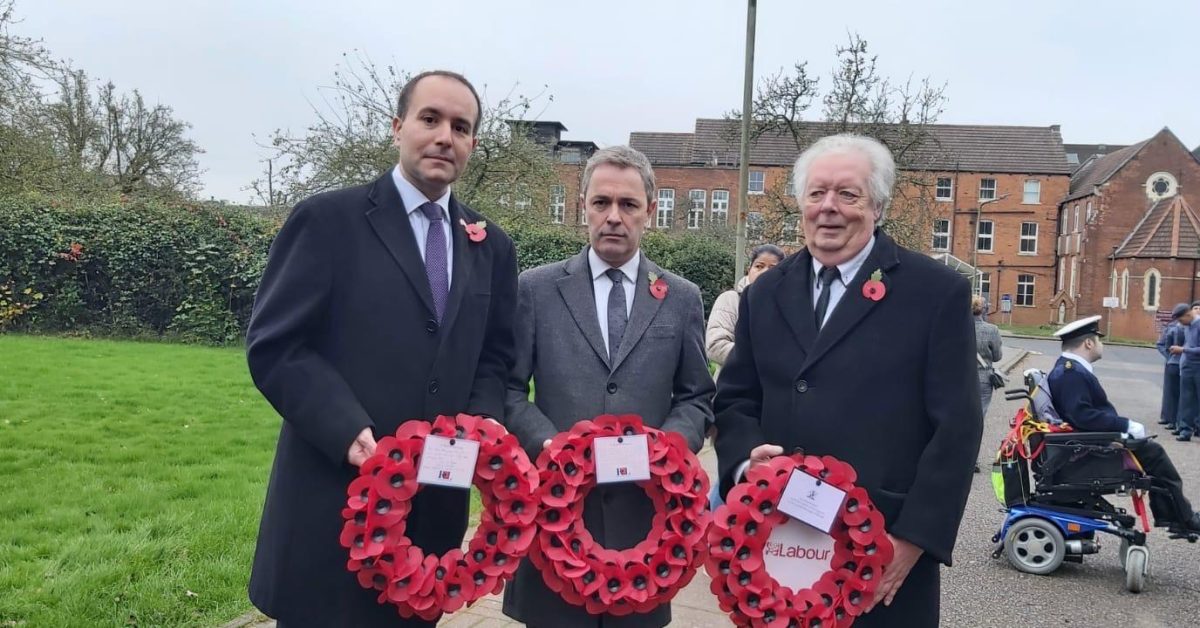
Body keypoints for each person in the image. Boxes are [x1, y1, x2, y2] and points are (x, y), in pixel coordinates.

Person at [244, 71, 518, 627]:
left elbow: (494, 357)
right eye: (430, 119)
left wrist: (482, 426)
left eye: (459, 127)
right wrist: (345, 428)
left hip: (431, 517)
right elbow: (277, 345)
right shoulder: (327, 221)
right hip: (330, 499)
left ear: (472, 143)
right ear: (398, 127)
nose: (444, 136)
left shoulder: (492, 246)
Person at [714, 134, 982, 627]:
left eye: (847, 194)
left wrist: (914, 539)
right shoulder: (764, 292)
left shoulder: (935, 293)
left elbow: (957, 428)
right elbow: (735, 400)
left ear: (877, 205)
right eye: (816, 193)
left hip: (883, 553)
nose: (828, 207)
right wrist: (746, 462)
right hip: (777, 553)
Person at [502, 146, 713, 628]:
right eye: (601, 203)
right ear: (584, 207)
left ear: (649, 211)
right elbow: (509, 389)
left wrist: (665, 453)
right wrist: (549, 446)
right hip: (554, 522)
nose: (613, 216)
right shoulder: (536, 288)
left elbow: (697, 396)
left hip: (645, 528)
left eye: (628, 204)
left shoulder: (681, 297)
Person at [1046, 316, 1200, 533]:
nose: (1102, 344)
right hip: (1088, 451)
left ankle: (1176, 517)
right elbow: (1082, 416)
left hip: (1085, 444)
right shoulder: (1071, 373)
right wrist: (1125, 426)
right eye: (1099, 339)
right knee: (1154, 454)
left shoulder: (1069, 369)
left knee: (1151, 451)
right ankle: (1183, 519)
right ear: (1088, 343)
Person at [706, 243, 785, 380]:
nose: (764, 272)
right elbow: (715, 346)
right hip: (733, 385)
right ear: (749, 270)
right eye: (759, 266)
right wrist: (763, 358)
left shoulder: (790, 306)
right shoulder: (731, 300)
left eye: (773, 268)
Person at [1156, 303, 1190, 431]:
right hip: (1174, 363)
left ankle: (1183, 423)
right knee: (1172, 393)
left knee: (1186, 395)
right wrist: (1170, 357)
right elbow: (1163, 344)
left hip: (1189, 363)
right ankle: (1171, 418)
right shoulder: (1172, 327)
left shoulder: (1193, 327)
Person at [1175, 301, 1200, 441]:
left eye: (1181, 320)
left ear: (1188, 314)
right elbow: (1188, 343)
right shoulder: (1187, 326)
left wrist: (1184, 350)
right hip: (1188, 366)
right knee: (1186, 399)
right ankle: (1185, 429)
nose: (1180, 323)